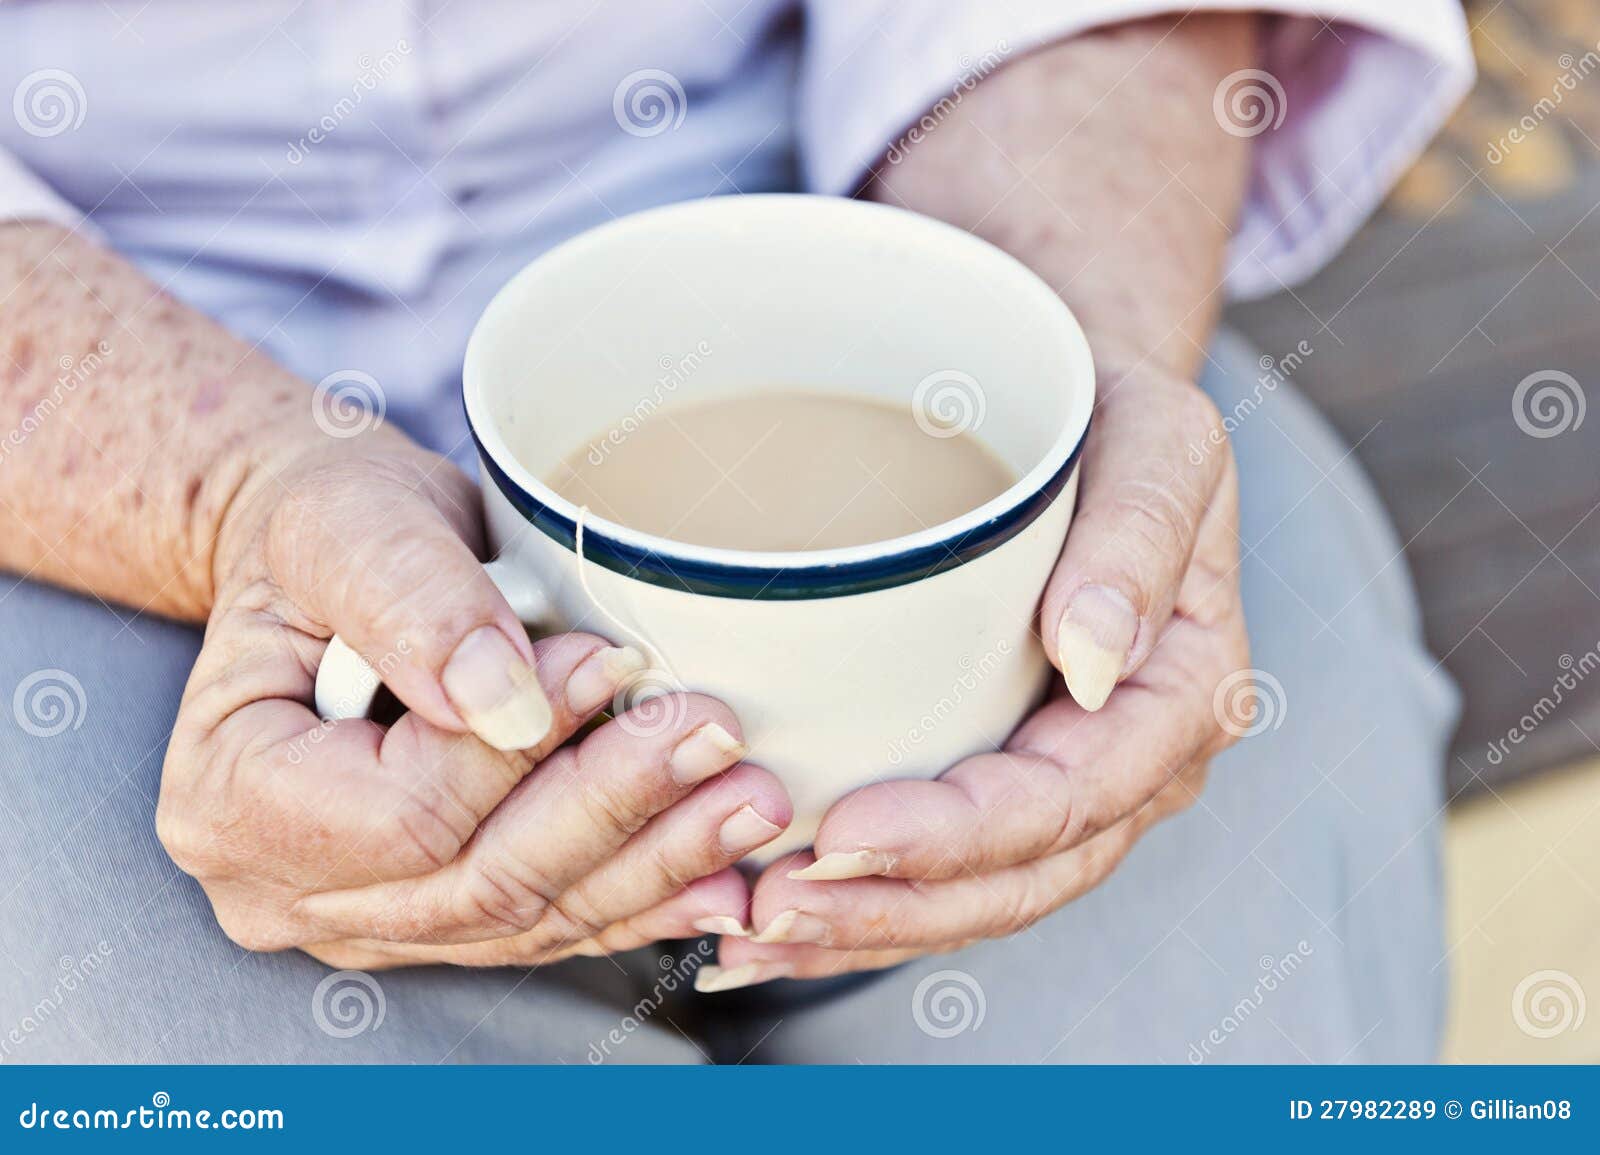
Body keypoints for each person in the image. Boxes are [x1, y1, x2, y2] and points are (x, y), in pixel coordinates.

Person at [0, 1, 1470, 1063]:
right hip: (88, 394)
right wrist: (225, 490)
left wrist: (1044, 338)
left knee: (1274, 801)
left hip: (870, 204)